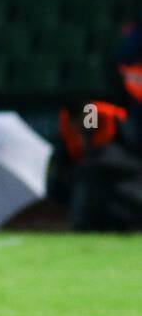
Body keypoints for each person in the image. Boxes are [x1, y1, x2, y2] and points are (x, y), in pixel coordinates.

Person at [53, 98, 142, 231]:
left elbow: (96, 145)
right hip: (100, 167)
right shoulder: (69, 120)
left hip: (122, 162)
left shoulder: (94, 113)